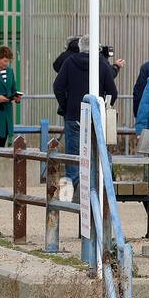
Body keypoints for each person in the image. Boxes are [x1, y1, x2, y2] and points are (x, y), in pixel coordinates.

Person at [52, 35, 118, 199]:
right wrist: (103, 107)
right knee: (98, 153)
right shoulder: (101, 64)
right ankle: (100, 193)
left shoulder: (69, 62)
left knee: (72, 157)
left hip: (73, 114)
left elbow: (58, 86)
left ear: (80, 47)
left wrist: (66, 105)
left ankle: (69, 197)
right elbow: (112, 91)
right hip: (94, 116)